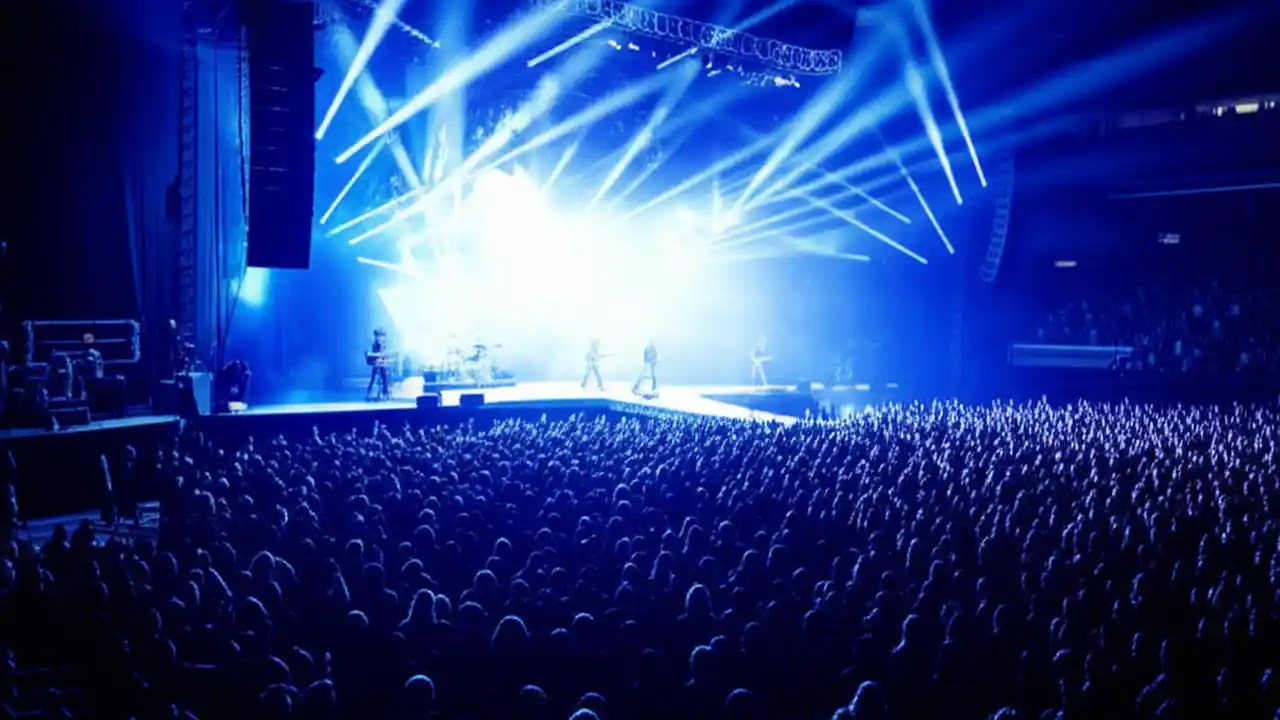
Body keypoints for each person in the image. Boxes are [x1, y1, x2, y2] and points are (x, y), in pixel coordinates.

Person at [366, 328, 392, 401]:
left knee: (385, 377)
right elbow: (375, 354)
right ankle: (370, 393)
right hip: (376, 363)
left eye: (382, 336)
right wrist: (379, 357)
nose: (381, 338)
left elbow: (383, 354)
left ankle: (385, 393)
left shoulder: (383, 344)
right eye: (379, 336)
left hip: (382, 363)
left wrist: (385, 359)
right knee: (373, 377)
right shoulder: (375, 344)